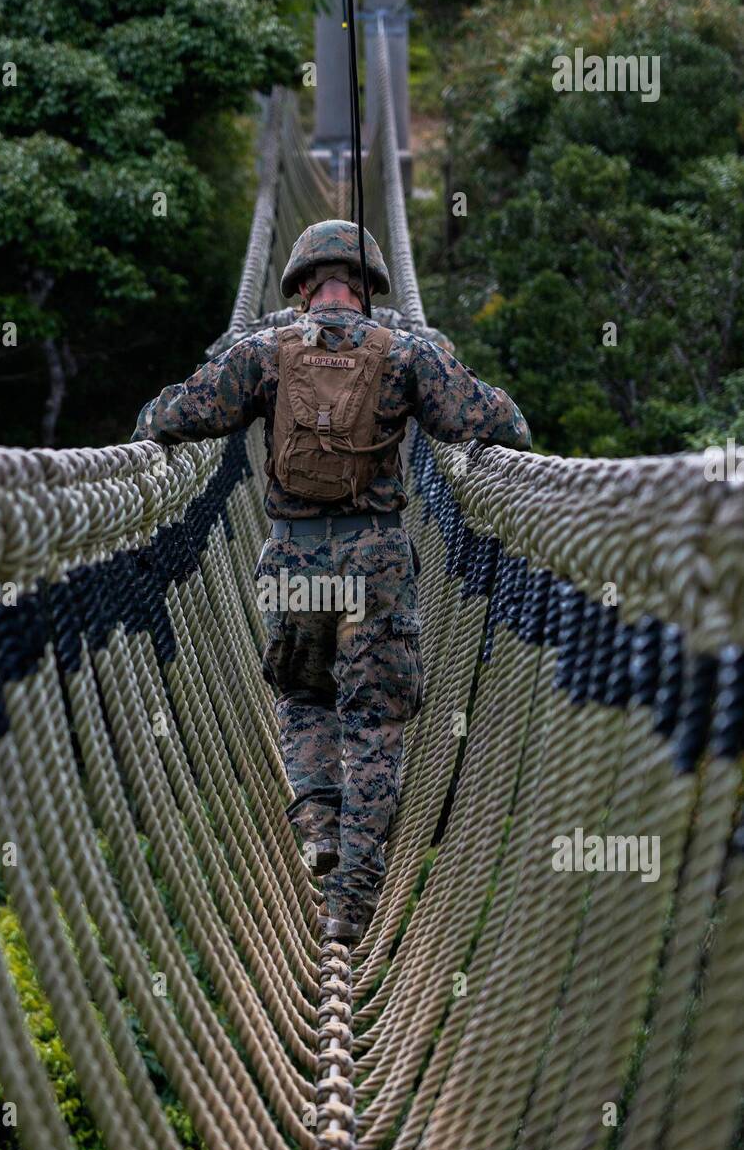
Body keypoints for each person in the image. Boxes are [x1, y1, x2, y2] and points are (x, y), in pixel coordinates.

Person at [131, 220, 531, 943]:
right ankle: (351, 899)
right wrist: (441, 356)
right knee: (373, 725)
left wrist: (145, 432)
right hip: (374, 565)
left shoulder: (263, 351)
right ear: (371, 288)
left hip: (291, 562)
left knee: (304, 696)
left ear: (302, 287)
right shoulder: (405, 352)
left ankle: (318, 821)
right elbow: (502, 424)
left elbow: (176, 415)